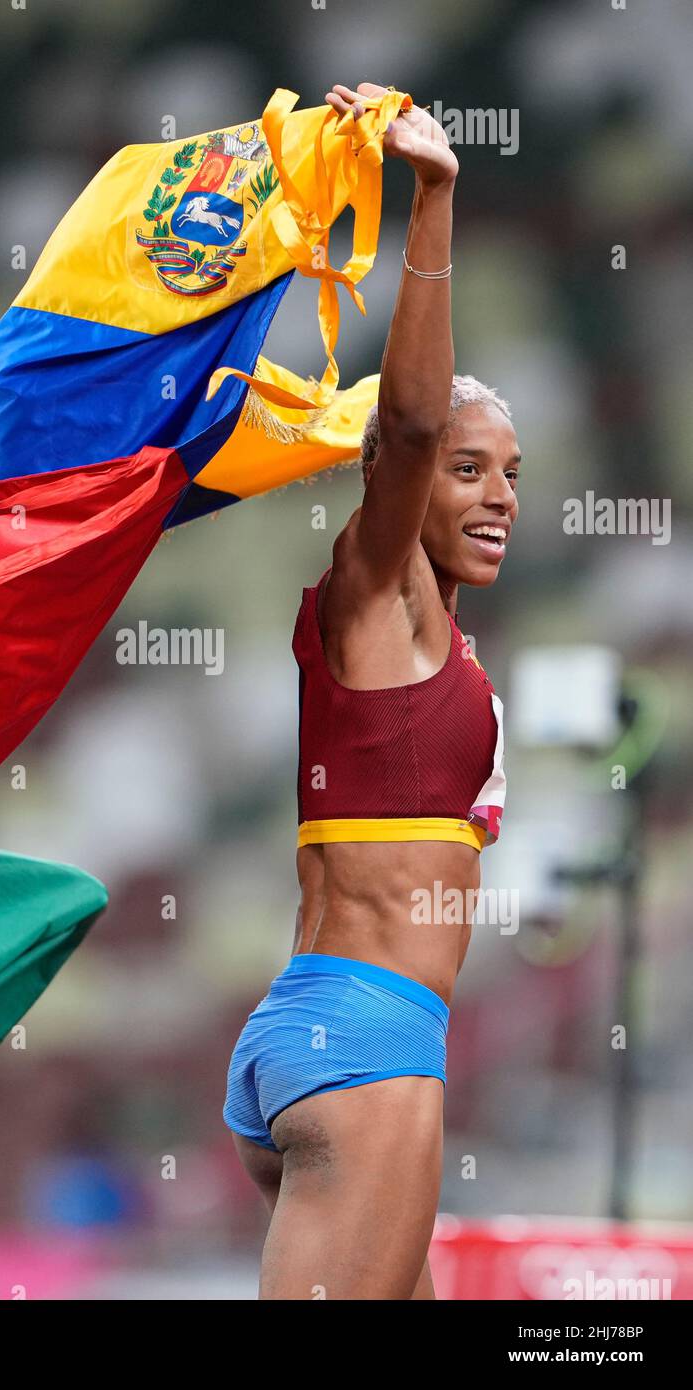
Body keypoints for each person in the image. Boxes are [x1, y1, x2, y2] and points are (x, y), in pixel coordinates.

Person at [222, 82, 521, 1300]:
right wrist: (433, 200)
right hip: (364, 1040)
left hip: (325, 1035)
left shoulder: (433, 640)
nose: (498, 495)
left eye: (510, 472)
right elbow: (400, 424)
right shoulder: (373, 586)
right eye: (468, 470)